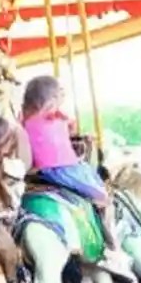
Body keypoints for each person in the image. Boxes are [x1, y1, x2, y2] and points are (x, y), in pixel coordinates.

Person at [20, 75, 122, 262]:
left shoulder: (26, 123)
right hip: (65, 170)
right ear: (50, 100)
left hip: (40, 171)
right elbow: (70, 134)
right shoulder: (58, 119)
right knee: (104, 198)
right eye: (58, 97)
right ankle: (111, 244)